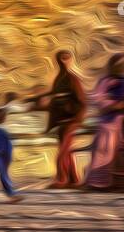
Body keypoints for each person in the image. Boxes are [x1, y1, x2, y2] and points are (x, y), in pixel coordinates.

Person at [37, 49, 87, 188]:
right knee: (66, 150)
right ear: (58, 61)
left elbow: (82, 101)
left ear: (71, 60)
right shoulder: (59, 79)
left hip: (71, 120)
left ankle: (62, 179)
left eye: (67, 58)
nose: (65, 61)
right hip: (61, 120)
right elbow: (55, 96)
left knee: (63, 151)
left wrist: (78, 118)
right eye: (62, 58)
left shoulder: (73, 79)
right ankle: (73, 180)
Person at [85, 54, 124, 191]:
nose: (119, 67)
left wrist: (109, 103)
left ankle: (119, 184)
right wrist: (109, 103)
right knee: (101, 150)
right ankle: (99, 182)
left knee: (118, 152)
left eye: (122, 65)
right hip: (105, 122)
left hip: (120, 122)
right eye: (117, 65)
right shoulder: (104, 81)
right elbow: (97, 99)